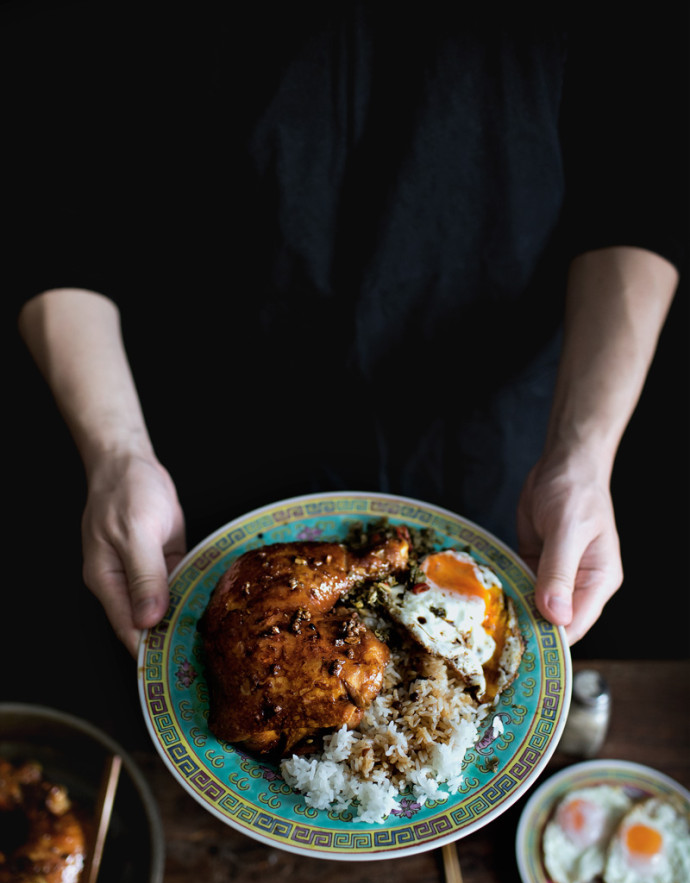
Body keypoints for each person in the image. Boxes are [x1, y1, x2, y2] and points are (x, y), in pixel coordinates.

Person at [7, 4, 686, 659]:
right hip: (200, 443)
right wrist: (119, 453)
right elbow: (54, 177)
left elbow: (637, 179)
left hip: (490, 440)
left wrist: (582, 455)